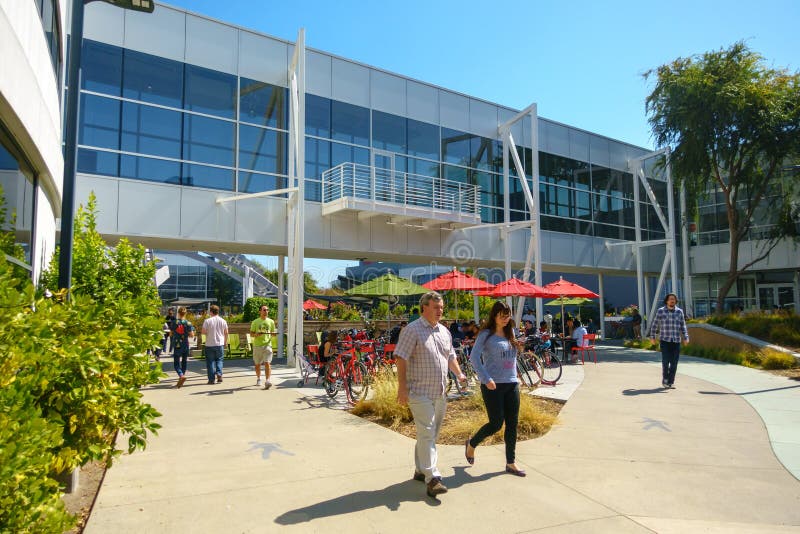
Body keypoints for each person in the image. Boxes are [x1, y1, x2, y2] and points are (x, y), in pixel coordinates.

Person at [395, 291, 466, 499]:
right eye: (436, 307)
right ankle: (432, 478)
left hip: (440, 392)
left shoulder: (444, 331)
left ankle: (420, 469)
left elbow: (450, 356)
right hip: (419, 392)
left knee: (431, 434)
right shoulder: (412, 330)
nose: (440, 311)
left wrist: (459, 374)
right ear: (424, 308)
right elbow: (400, 357)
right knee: (427, 432)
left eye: (441, 307)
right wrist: (402, 388)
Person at [465, 301, 526, 477]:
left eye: (508, 315)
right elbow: (474, 358)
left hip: (511, 383)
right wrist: (486, 378)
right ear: (495, 316)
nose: (506, 319)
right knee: (496, 424)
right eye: (502, 315)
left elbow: (512, 359)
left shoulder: (510, 332)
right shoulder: (486, 334)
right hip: (492, 385)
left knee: (512, 425)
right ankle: (471, 444)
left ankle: (511, 462)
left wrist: (517, 375)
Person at [648, 293, 690, 389]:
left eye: (674, 299)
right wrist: (652, 337)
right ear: (667, 301)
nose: (672, 300)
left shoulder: (679, 312)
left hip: (676, 341)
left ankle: (671, 382)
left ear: (675, 301)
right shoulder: (661, 311)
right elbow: (655, 324)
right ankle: (665, 379)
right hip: (665, 340)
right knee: (666, 361)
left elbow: (683, 325)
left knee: (674, 363)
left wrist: (686, 337)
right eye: (670, 299)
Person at [250, 304, 276, 389]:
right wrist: (256, 334)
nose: (266, 312)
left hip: (267, 345)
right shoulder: (255, 322)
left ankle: (268, 380)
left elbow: (272, 333)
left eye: (267, 310)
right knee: (257, 364)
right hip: (257, 346)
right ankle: (258, 378)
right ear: (260, 311)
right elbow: (251, 334)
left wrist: (274, 334)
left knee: (267, 363)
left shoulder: (271, 321)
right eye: (264, 310)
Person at [201, 305, 228, 385]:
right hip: (220, 344)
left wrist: (209, 332)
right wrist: (225, 342)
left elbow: (203, 332)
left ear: (211, 311)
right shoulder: (223, 321)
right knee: (219, 360)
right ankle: (219, 373)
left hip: (209, 344)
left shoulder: (207, 321)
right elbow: (226, 333)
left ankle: (211, 380)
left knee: (210, 362)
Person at [171, 306, 195, 388]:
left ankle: (181, 375)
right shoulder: (188, 323)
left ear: (178, 313)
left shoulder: (175, 322)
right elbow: (192, 335)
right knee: (184, 361)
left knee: (176, 362)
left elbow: (171, 333)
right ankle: (182, 375)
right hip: (185, 344)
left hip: (177, 344)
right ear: (185, 313)